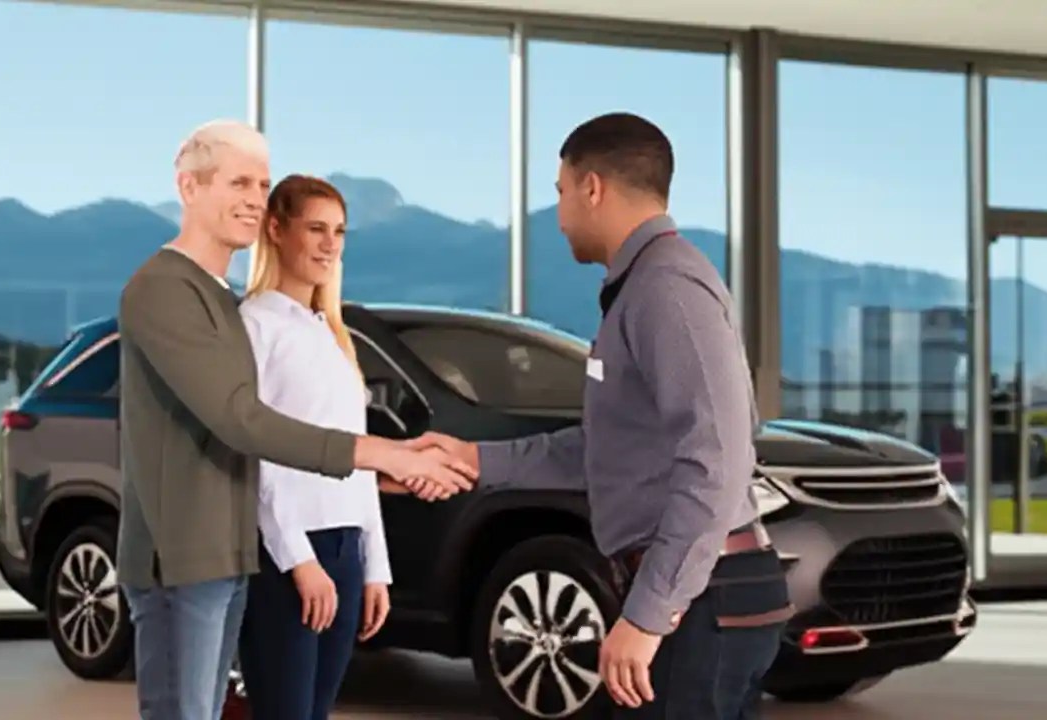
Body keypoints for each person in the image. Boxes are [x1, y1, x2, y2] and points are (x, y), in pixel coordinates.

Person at [406, 113, 793, 720]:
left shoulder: (668, 288)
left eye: (560, 192)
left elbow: (718, 457)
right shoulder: (643, 287)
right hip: (693, 593)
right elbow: (606, 450)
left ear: (593, 188)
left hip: (700, 601)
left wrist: (649, 613)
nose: (558, 213)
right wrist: (473, 457)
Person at [116, 120, 474, 720]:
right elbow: (242, 421)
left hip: (228, 554)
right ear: (189, 187)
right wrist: (382, 453)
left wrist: (389, 478)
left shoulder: (223, 300)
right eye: (238, 182)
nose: (255, 198)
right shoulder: (164, 291)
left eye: (261, 182)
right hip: (181, 556)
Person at [233, 175, 394, 719]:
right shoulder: (254, 327)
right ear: (275, 230)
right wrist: (300, 561)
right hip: (288, 557)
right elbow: (257, 451)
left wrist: (376, 566)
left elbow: (359, 454)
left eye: (340, 231)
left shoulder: (331, 334)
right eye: (317, 229)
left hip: (345, 552)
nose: (331, 243)